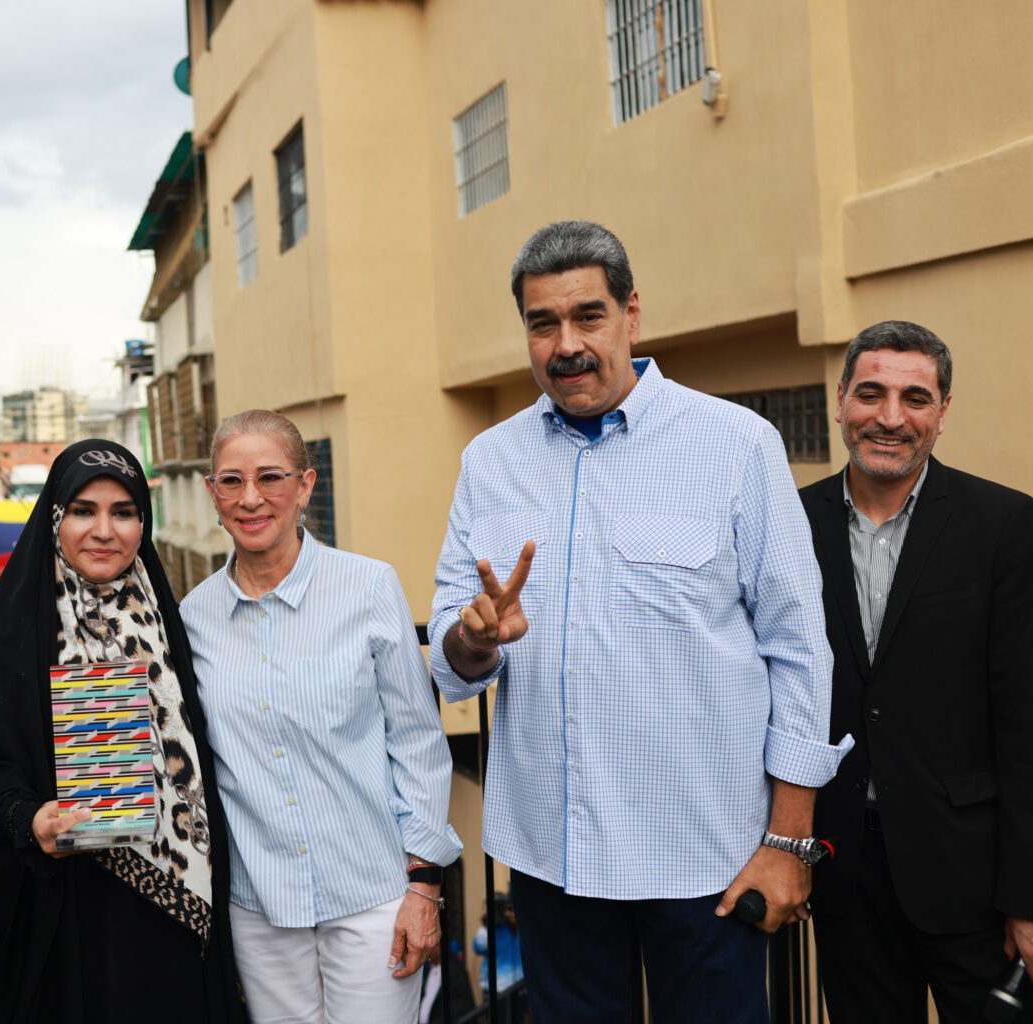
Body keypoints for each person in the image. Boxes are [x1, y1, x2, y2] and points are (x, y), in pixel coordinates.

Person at [429, 220, 852, 1022]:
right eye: (542, 323)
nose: (566, 345)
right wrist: (475, 637)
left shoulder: (734, 445)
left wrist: (788, 842)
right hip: (553, 858)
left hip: (708, 859)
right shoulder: (491, 459)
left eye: (587, 316)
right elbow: (454, 662)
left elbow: (798, 649)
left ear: (631, 314)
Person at [180, 409, 463, 1024]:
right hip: (258, 908)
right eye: (231, 481)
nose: (250, 498)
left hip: (373, 896)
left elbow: (417, 741)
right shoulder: (193, 616)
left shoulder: (368, 587)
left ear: (305, 486)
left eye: (270, 477)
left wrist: (425, 887)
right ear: (212, 493)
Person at [0, 438, 245, 1024]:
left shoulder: (170, 625)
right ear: (54, 519)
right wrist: (28, 817)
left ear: (143, 523)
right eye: (83, 511)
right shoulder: (5, 637)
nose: (104, 531)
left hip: (178, 905)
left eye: (124, 512)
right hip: (66, 910)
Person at [798, 320, 1033, 1023]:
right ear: (840, 400)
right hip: (841, 875)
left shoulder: (1006, 526)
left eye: (915, 398)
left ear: (942, 411)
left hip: (973, 878)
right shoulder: (787, 522)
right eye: (870, 393)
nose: (890, 418)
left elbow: (1025, 720)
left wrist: (1026, 896)